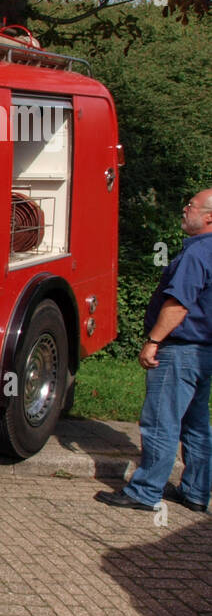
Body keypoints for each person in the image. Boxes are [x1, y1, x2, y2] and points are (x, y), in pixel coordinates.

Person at [98, 189, 212, 513]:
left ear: (208, 217)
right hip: (204, 352)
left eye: (190, 206)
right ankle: (196, 492)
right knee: (196, 424)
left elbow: (178, 305)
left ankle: (145, 491)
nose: (184, 209)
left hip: (178, 351)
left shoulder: (196, 254)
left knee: (161, 421)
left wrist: (154, 341)